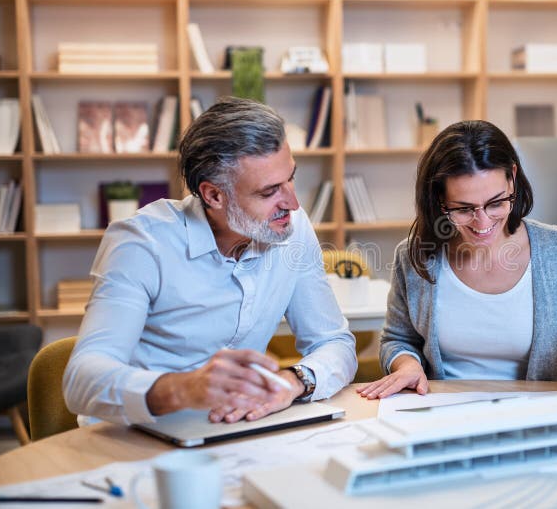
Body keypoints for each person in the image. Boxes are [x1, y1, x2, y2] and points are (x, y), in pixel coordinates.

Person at [63, 97, 357, 425]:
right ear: (213, 195)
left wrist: (293, 381)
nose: (293, 202)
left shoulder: (292, 229)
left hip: (234, 427)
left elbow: (334, 342)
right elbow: (81, 381)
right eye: (269, 192)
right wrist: (184, 390)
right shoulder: (142, 244)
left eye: (290, 179)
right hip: (135, 435)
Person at [358, 120, 557, 400]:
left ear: (512, 177)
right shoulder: (415, 256)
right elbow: (398, 339)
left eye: (496, 203)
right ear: (439, 198)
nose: (483, 222)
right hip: (442, 415)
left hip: (535, 420)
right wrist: (407, 365)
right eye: (463, 209)